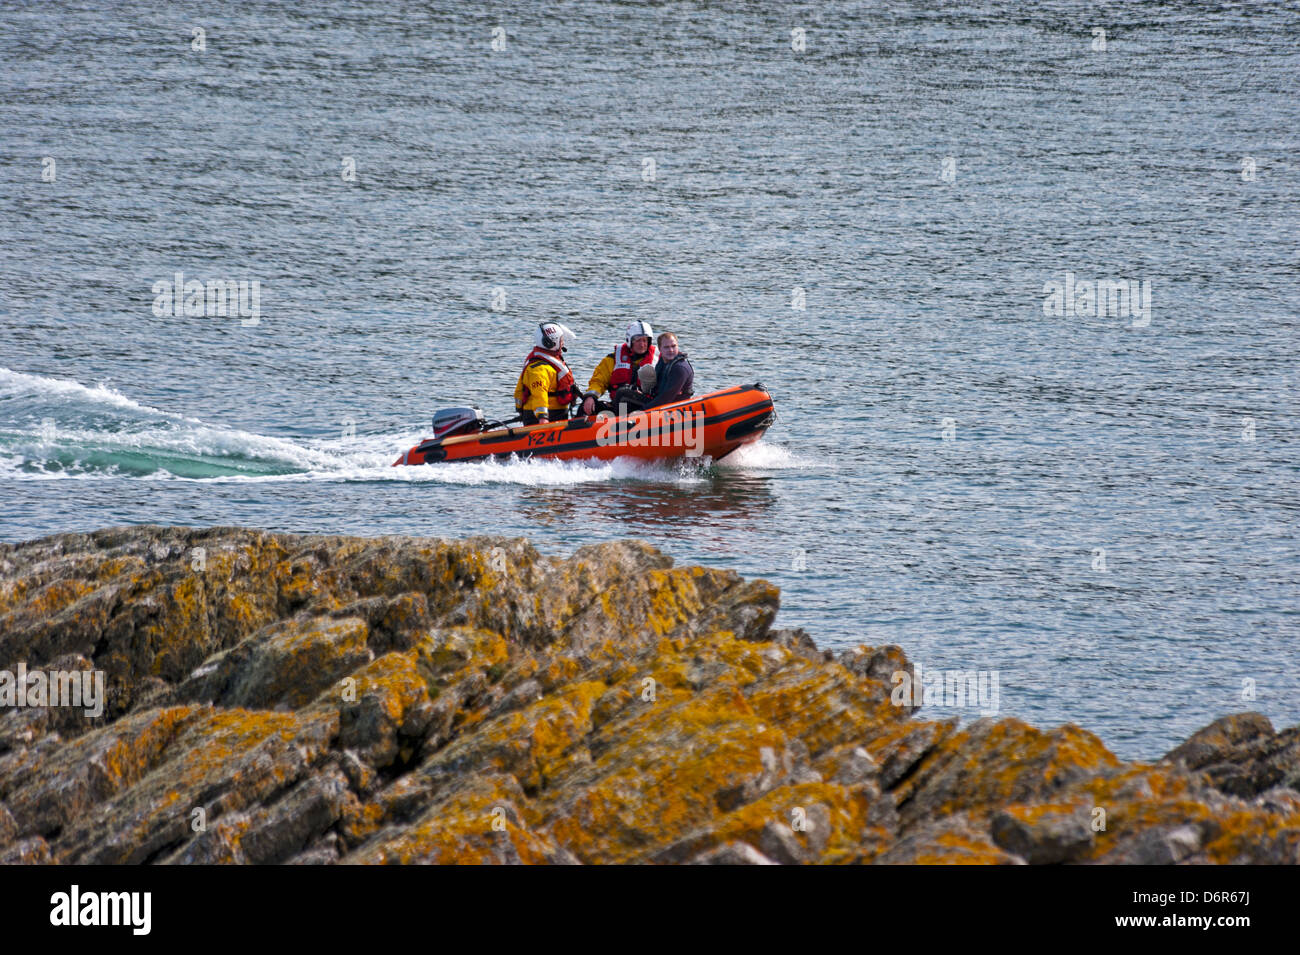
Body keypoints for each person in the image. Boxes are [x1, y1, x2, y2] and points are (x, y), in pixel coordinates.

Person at [580, 321, 658, 417]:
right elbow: (598, 381)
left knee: (623, 394)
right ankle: (570, 430)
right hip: (618, 406)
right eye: (638, 341)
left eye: (645, 340)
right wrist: (591, 397)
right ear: (630, 341)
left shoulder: (657, 360)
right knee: (586, 405)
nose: (642, 344)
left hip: (644, 405)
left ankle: (619, 426)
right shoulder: (613, 359)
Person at [514, 321, 580, 425]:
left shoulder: (551, 363)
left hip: (557, 413)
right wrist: (542, 416)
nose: (563, 343)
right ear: (551, 343)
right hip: (542, 416)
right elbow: (539, 394)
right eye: (561, 340)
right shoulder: (538, 369)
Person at [644, 332, 694, 409]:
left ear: (678, 346)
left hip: (674, 408)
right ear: (660, 349)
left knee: (624, 396)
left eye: (673, 346)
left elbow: (666, 399)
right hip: (659, 401)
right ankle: (621, 417)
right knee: (624, 393)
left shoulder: (680, 368)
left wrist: (642, 410)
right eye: (666, 347)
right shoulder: (662, 361)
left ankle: (623, 419)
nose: (671, 350)